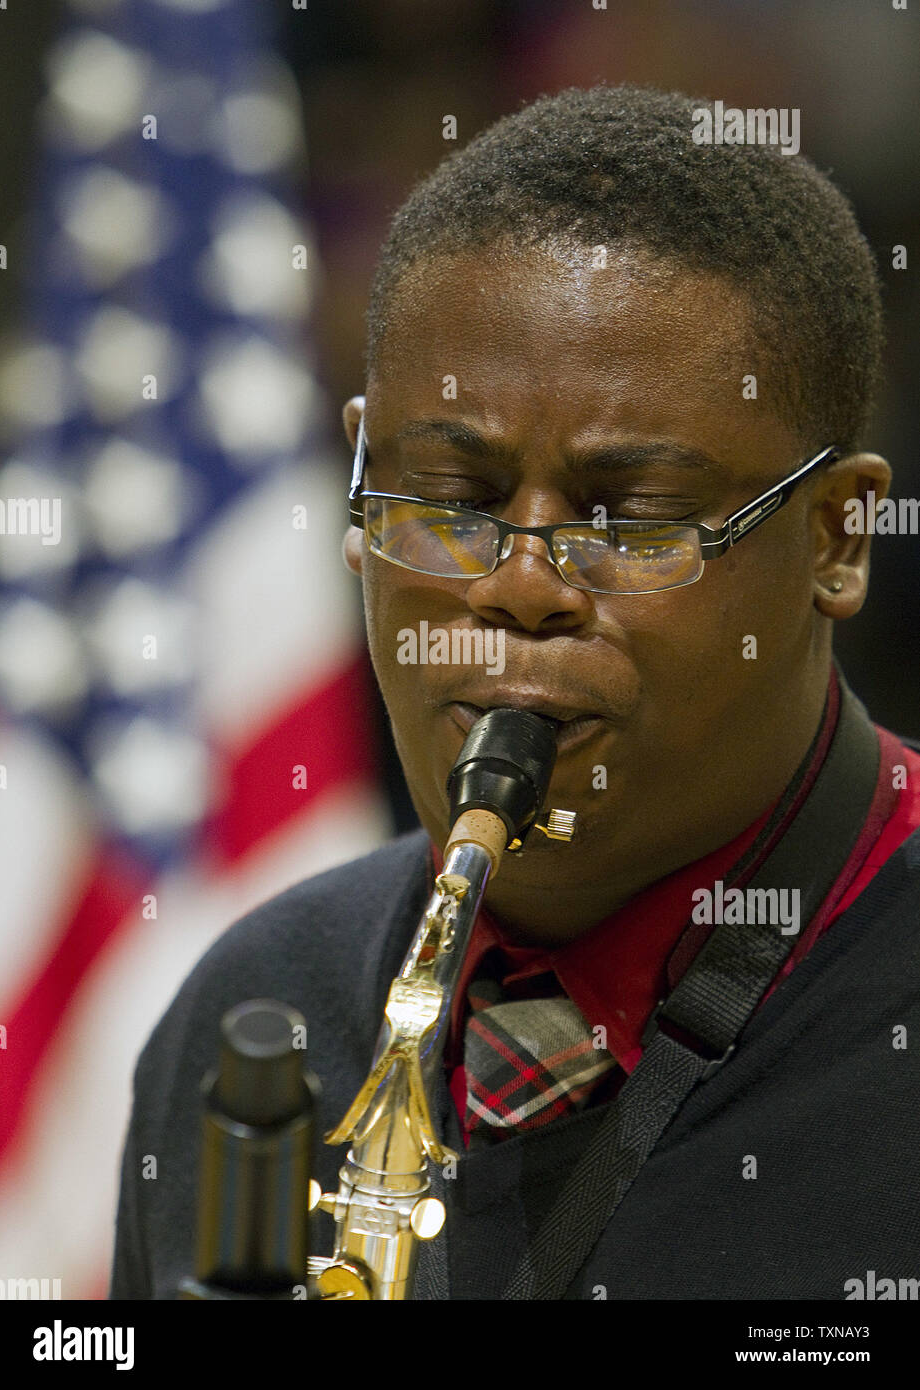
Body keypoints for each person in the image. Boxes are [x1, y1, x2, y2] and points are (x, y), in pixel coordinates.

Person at [110, 84, 920, 1301]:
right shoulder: (263, 999)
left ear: (836, 538)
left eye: (631, 518)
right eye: (445, 501)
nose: (521, 588)